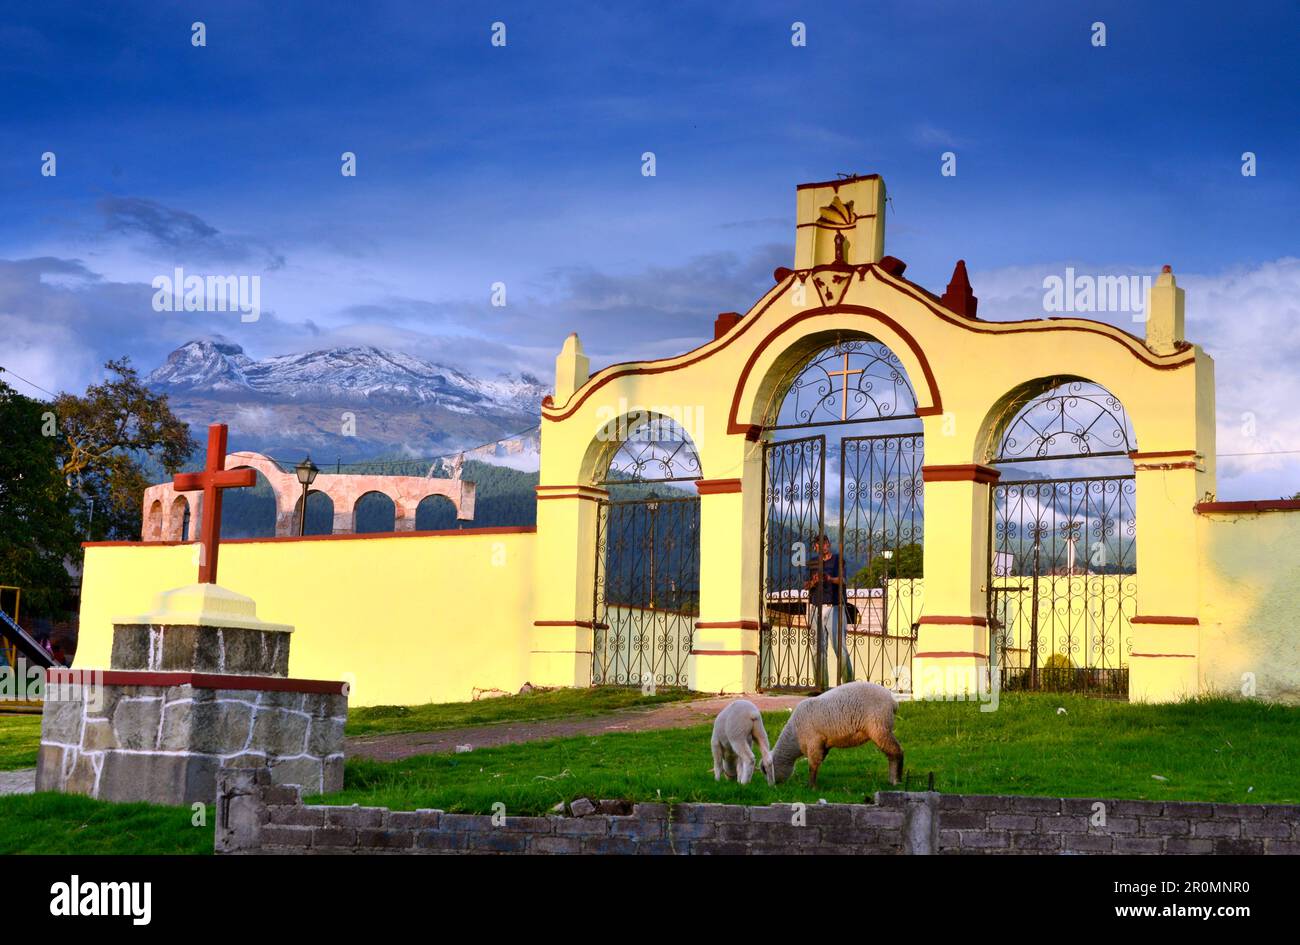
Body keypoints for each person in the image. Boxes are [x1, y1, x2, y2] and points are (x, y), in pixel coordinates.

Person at [805, 534, 852, 688]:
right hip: (816, 607)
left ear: (828, 544)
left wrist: (829, 579)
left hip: (835, 607)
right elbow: (806, 585)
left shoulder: (838, 559)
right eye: (818, 545)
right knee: (817, 649)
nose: (822, 546)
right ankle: (821, 687)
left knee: (839, 648)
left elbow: (843, 580)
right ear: (815, 547)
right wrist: (814, 581)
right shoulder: (812, 562)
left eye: (824, 543)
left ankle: (849, 686)